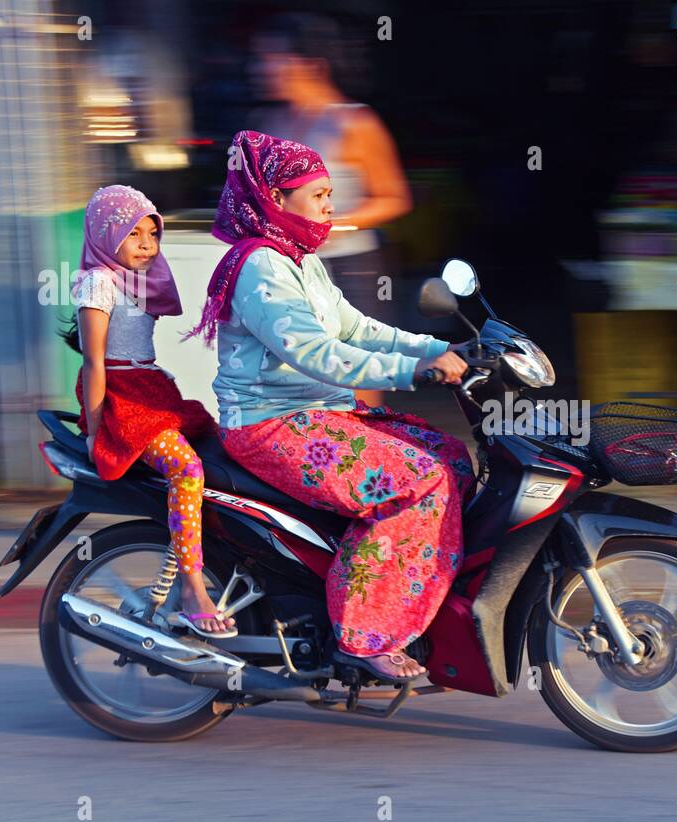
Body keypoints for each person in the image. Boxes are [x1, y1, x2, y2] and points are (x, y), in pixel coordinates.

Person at [188, 131, 472, 682]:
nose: (329, 204)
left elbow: (356, 328)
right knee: (419, 481)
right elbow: (315, 353)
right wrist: (411, 372)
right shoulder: (259, 267)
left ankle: (412, 603)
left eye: (329, 192)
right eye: (316, 193)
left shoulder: (299, 259)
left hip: (320, 415)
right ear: (274, 196)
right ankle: (363, 635)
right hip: (271, 425)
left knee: (453, 456)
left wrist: (439, 348)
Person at [64, 185, 235, 638]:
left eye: (152, 233)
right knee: (187, 469)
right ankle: (193, 588)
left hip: (152, 388)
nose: (146, 243)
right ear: (104, 235)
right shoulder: (97, 282)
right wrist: (96, 430)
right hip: (120, 394)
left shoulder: (138, 280)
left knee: (227, 456)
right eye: (133, 233)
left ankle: (215, 566)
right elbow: (94, 361)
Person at [250, 12, 413, 410]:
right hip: (292, 269)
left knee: (359, 371)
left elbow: (395, 197)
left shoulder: (355, 122)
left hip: (352, 267)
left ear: (312, 65)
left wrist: (335, 226)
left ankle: (368, 455)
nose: (261, 68)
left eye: (274, 58)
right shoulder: (271, 124)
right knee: (299, 370)